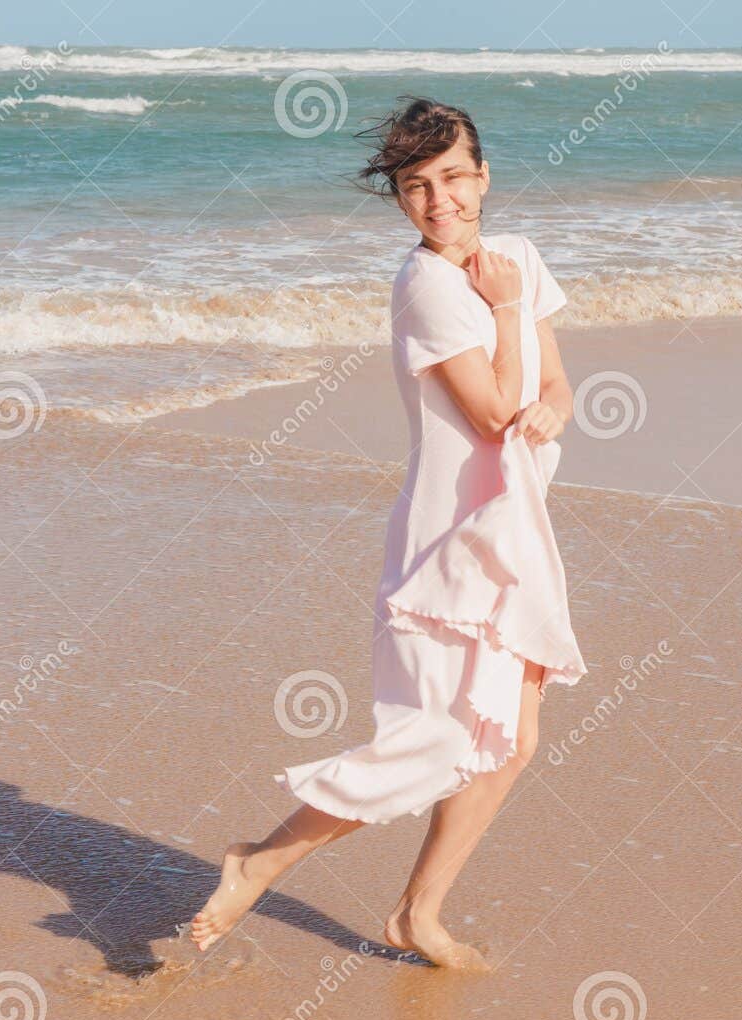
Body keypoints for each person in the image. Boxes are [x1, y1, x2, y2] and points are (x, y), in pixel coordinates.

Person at [190, 97, 585, 969]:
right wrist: (510, 315)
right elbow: (490, 417)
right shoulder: (428, 286)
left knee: (512, 742)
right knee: (438, 740)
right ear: (400, 199)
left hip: (516, 528)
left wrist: (555, 409)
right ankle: (258, 859)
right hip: (450, 540)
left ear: (483, 175)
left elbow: (551, 388)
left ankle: (417, 914)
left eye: (452, 177)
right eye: (416, 186)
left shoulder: (516, 257)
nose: (439, 199)